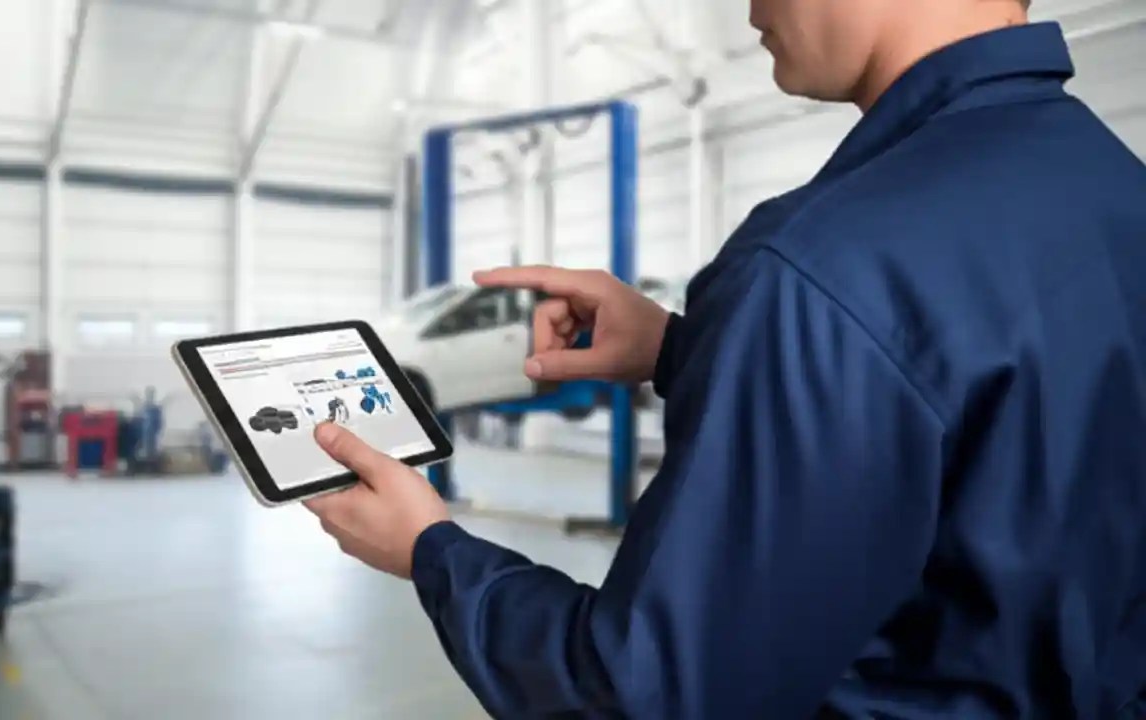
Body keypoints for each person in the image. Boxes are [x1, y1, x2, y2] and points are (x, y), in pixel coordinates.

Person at [304, 0, 1146, 716]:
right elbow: (1003, 438)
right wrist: (686, 348)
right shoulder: (1114, 186)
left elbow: (648, 695)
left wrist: (432, 551)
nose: (749, 9)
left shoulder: (824, 260)